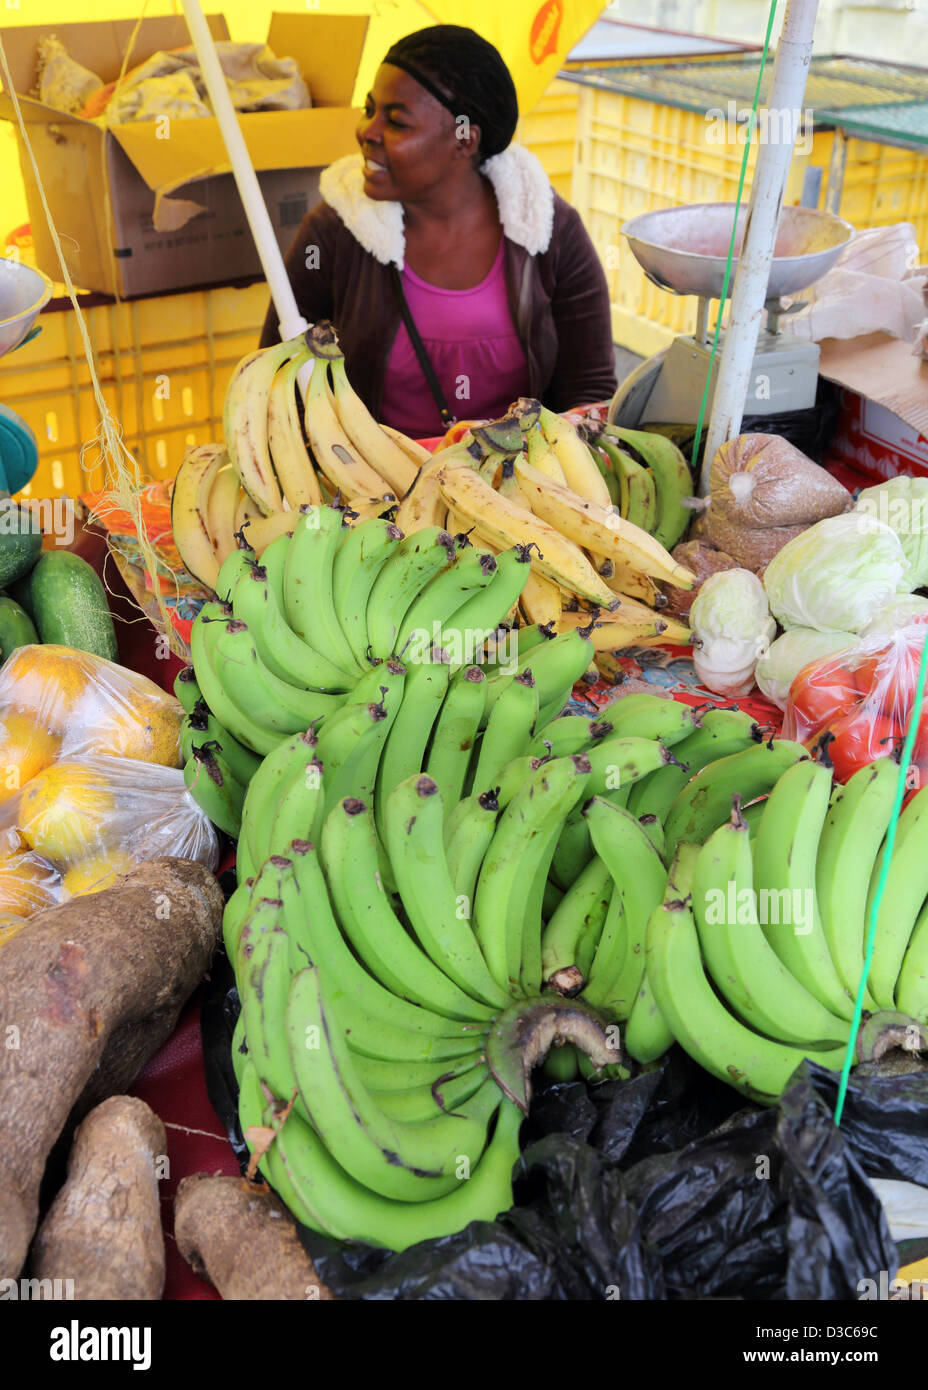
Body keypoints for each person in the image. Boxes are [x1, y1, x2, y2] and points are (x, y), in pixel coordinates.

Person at [259, 24, 617, 438]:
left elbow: (588, 394)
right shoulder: (333, 234)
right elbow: (277, 379)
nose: (366, 132)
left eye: (396, 122)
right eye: (369, 109)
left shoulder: (551, 234)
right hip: (370, 491)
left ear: (464, 140)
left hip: (519, 489)